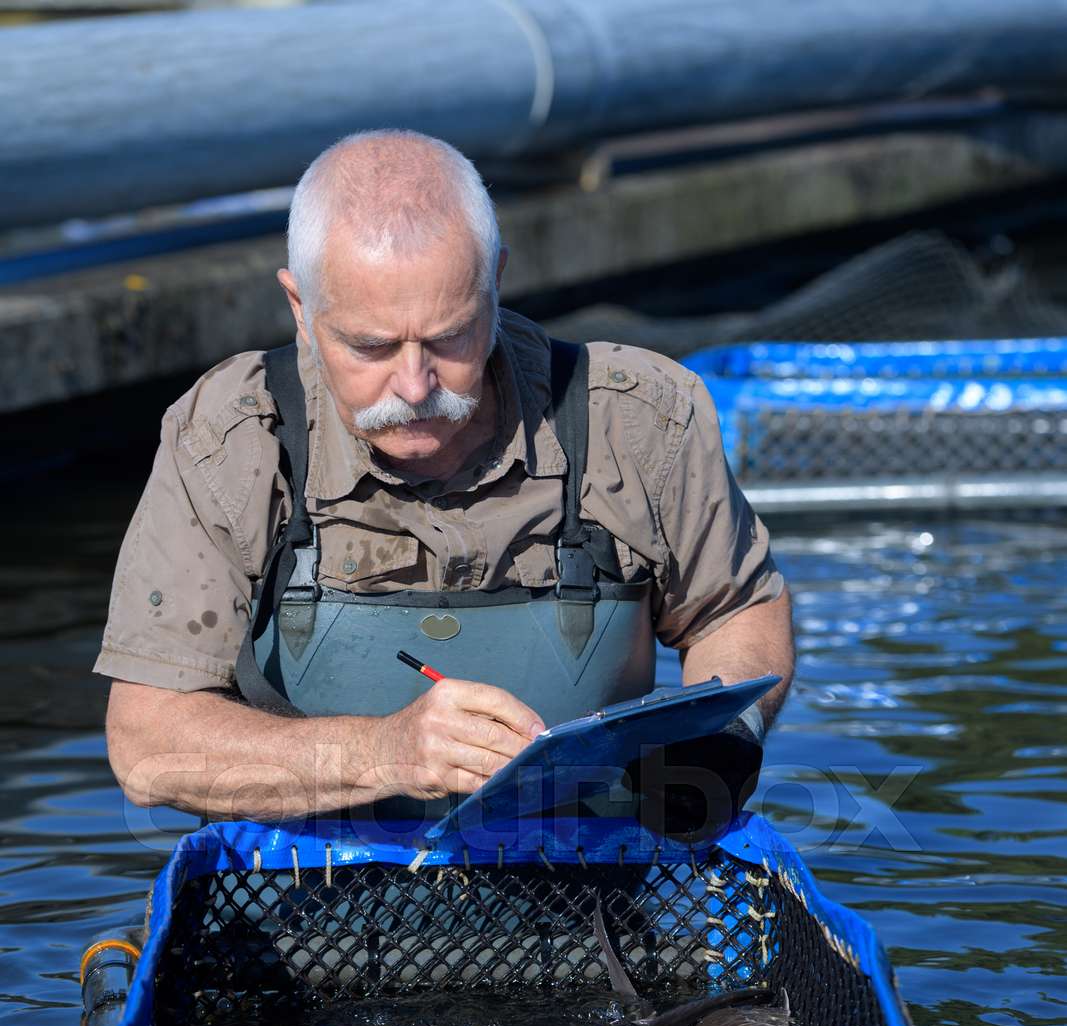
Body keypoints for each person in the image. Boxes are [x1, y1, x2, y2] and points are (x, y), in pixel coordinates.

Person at [97, 130, 794, 824]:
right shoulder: (231, 435)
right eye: (369, 346)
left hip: (591, 867)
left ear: (495, 281)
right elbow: (146, 744)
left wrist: (722, 744)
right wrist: (385, 755)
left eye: (450, 337)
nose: (413, 384)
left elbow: (737, 609)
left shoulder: (638, 416)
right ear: (300, 309)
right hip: (307, 887)